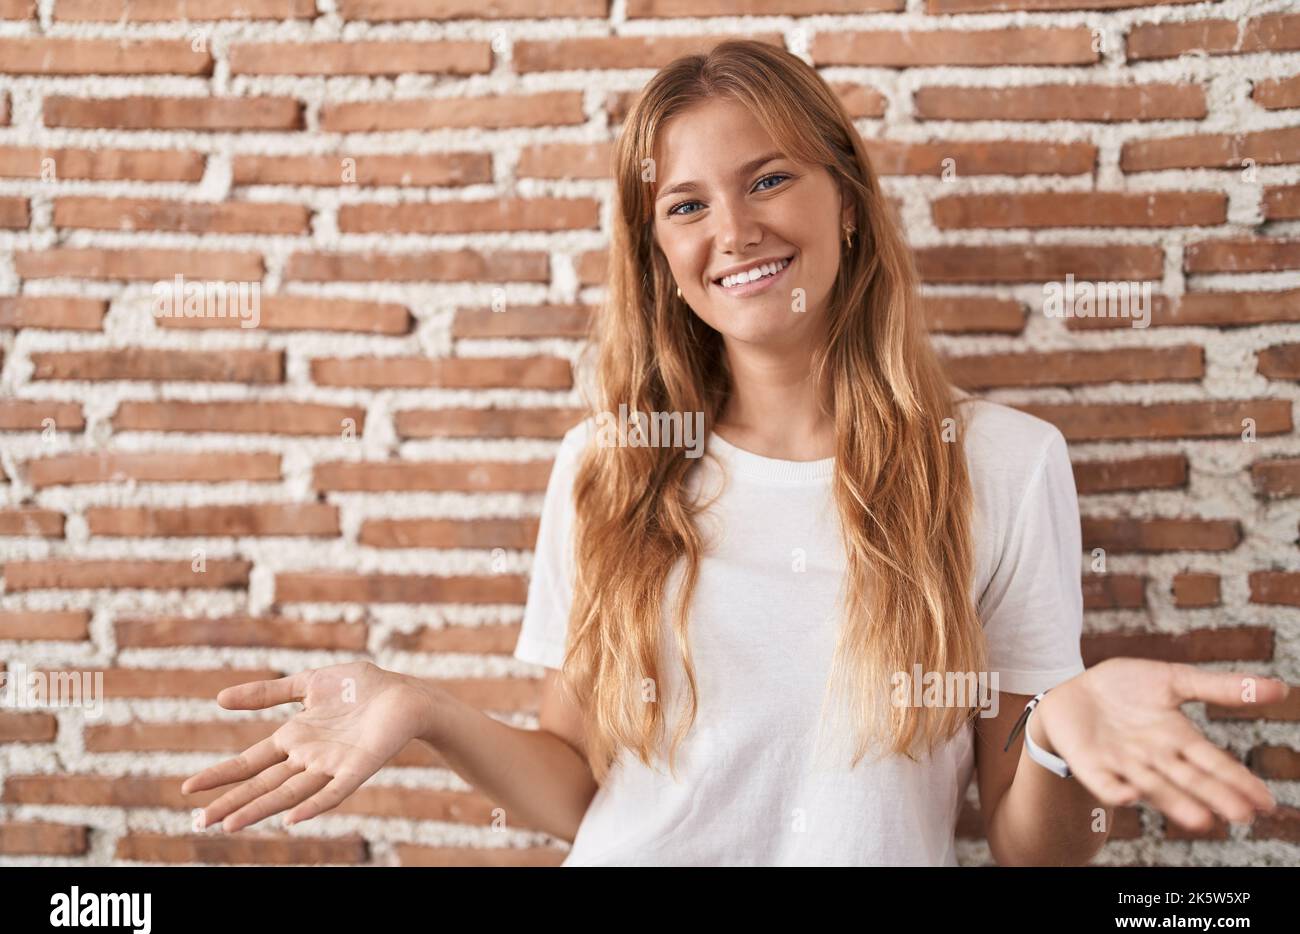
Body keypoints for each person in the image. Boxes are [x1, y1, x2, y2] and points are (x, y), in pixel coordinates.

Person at [180, 39, 1287, 866]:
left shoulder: (1001, 462)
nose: (734, 232)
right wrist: (424, 707)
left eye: (768, 179)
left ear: (845, 201)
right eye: (685, 205)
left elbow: (1030, 847)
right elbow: (576, 786)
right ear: (660, 255)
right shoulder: (608, 467)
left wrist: (1052, 737)